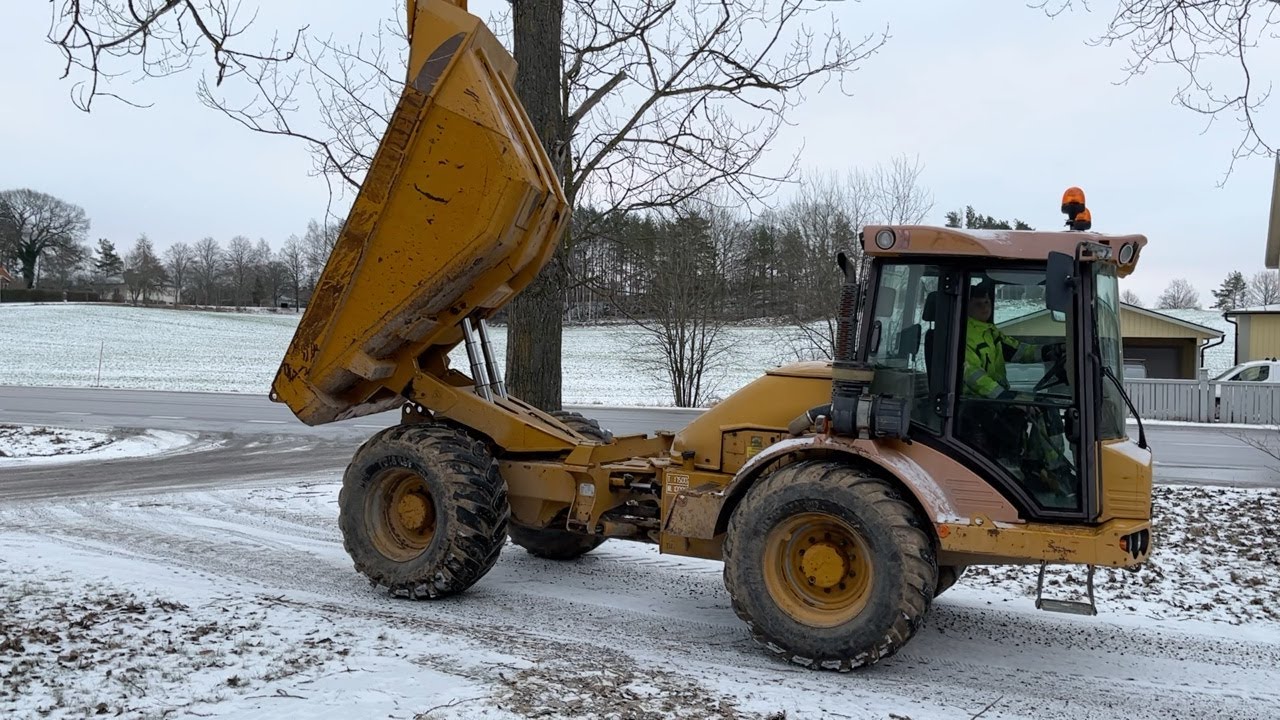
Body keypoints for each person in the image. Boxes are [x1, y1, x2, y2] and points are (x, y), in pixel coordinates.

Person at [959, 279, 1075, 505]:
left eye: (988, 302)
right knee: (1038, 408)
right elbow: (971, 375)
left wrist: (1052, 351)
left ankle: (1035, 466)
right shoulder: (962, 334)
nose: (986, 307)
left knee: (1042, 404)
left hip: (992, 399)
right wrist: (1005, 398)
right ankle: (1052, 470)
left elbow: (1020, 352)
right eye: (978, 304)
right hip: (973, 403)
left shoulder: (990, 332)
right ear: (967, 307)